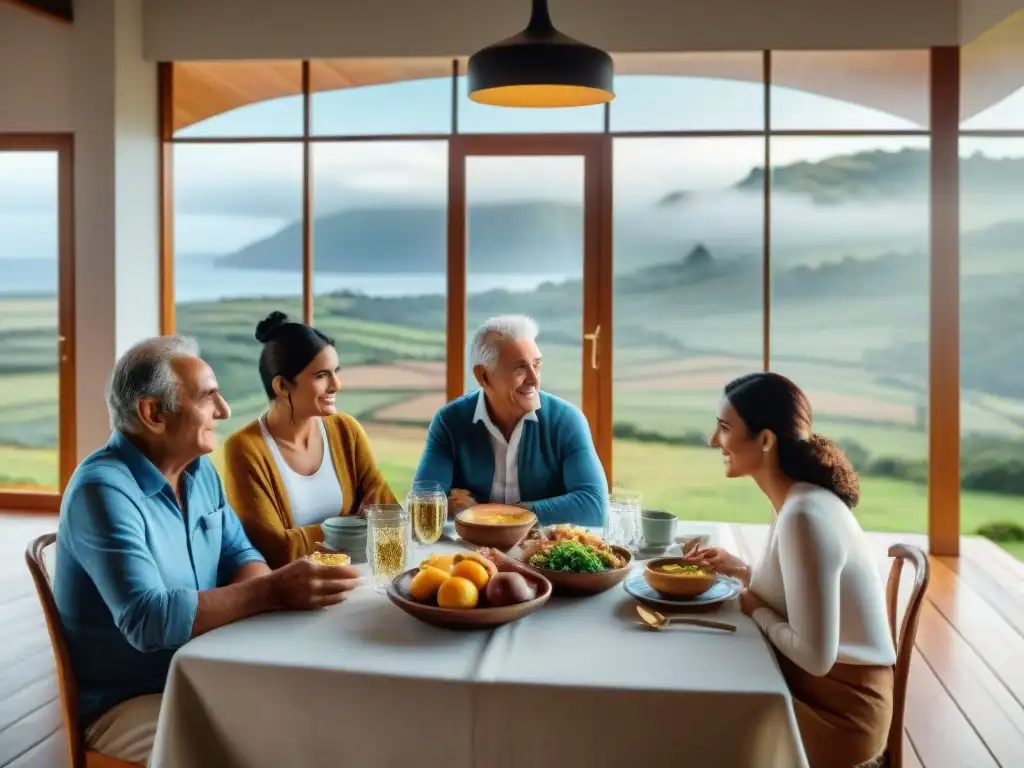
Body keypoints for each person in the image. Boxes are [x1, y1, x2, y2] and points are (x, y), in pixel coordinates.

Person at [53, 336, 361, 766]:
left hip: (208, 670)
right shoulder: (101, 490)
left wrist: (265, 599)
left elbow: (240, 555)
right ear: (153, 413)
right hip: (133, 700)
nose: (224, 410)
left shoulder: (198, 471)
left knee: (324, 716)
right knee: (272, 746)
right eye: (207, 397)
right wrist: (271, 592)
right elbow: (148, 620)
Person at [691, 372, 895, 768]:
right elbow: (802, 593)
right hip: (816, 689)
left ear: (766, 440)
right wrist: (743, 571)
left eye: (725, 428)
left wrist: (752, 604)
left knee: (694, 717)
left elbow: (816, 658)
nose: (714, 440)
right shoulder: (797, 499)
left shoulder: (804, 516)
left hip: (841, 717)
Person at [223, 312, 396, 568]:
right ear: (282, 386)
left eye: (336, 372)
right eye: (322, 375)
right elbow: (275, 549)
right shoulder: (244, 448)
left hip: (362, 577)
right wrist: (351, 524)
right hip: (294, 589)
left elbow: (389, 516)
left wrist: (304, 537)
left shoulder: (346, 430)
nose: (336, 385)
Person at [413, 314, 607, 527]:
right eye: (520, 369)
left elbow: (594, 507)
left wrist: (485, 512)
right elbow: (422, 505)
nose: (534, 379)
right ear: (484, 376)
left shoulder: (567, 420)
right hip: (468, 548)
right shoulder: (450, 421)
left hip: (543, 547)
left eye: (537, 365)